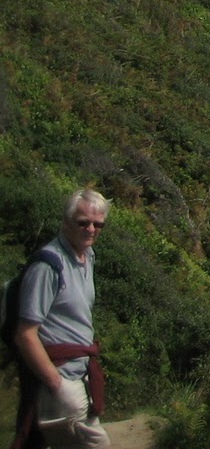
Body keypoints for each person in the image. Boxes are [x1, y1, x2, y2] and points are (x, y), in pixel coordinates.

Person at [10, 189, 110, 449]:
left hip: (80, 375)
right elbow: (25, 334)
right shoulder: (47, 267)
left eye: (97, 224)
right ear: (66, 222)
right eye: (83, 222)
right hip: (60, 380)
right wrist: (57, 384)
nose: (91, 229)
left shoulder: (87, 257)